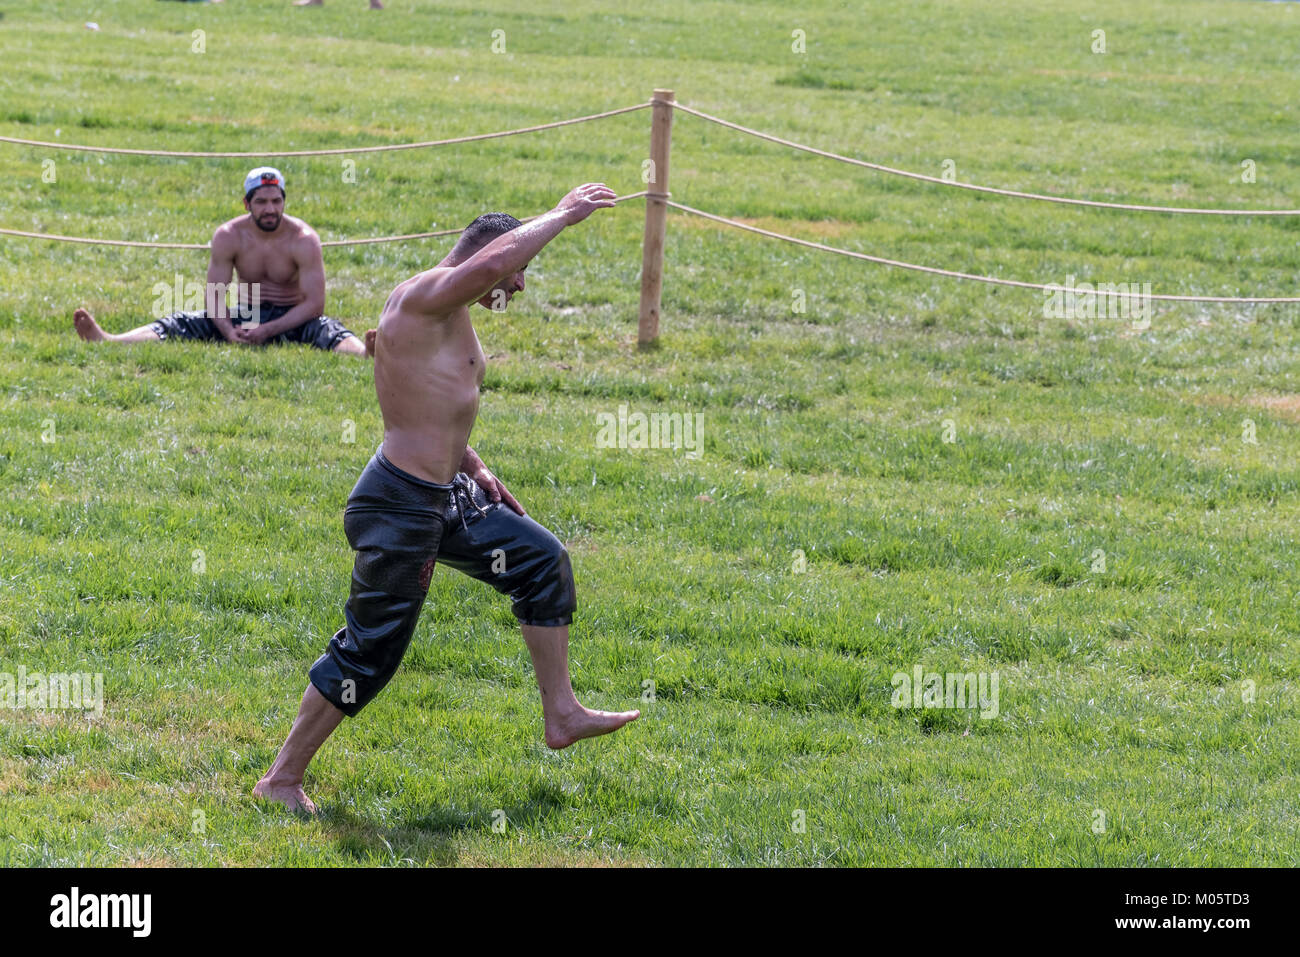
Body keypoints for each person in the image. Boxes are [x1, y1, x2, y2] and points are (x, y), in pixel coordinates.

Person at [254, 183, 638, 814]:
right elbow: (489, 267)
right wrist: (565, 215)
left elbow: (427, 398)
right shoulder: (428, 295)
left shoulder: (447, 314)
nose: (517, 288)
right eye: (519, 273)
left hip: (447, 493)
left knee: (542, 562)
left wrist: (475, 464)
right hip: (400, 505)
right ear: (493, 255)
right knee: (372, 648)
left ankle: (562, 713)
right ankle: (281, 779)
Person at [73, 168, 369, 358]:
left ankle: (365, 353)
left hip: (293, 318)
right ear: (247, 203)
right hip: (247, 315)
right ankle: (110, 340)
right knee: (182, 322)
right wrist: (228, 330)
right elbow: (215, 293)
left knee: (327, 330)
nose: (270, 209)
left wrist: (269, 331)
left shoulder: (303, 238)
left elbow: (314, 304)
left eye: (276, 201)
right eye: (262, 202)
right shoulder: (229, 236)